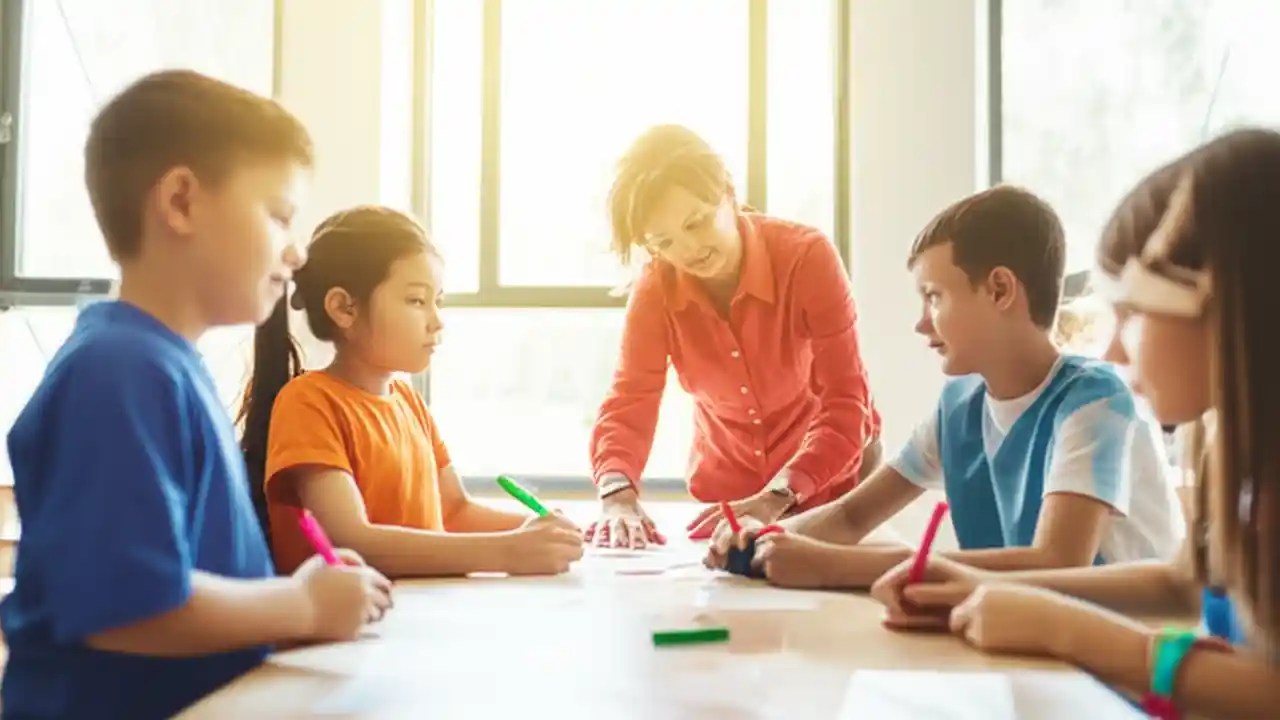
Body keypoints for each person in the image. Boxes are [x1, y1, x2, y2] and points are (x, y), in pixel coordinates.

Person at [0, 70, 392, 719]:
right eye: (279, 215)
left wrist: (292, 600)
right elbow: (129, 608)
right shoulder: (117, 372)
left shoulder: (163, 366)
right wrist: (302, 604)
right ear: (181, 201)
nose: (296, 253)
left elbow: (191, 596)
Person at [869, 128, 1280, 720]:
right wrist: (986, 587)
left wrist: (1068, 629)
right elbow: (1178, 584)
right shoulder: (1228, 457)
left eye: (1133, 313)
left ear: (1232, 305)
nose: (1113, 351)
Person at [710, 185, 1182, 587]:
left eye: (934, 297)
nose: (921, 324)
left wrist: (837, 566)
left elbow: (1056, 563)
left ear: (1000, 290)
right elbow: (852, 517)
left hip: (1127, 669)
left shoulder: (1096, 400)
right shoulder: (959, 406)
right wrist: (763, 538)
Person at [240, 206, 584, 577]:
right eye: (417, 301)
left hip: (417, 616)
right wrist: (506, 552)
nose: (437, 321)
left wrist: (541, 533)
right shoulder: (308, 402)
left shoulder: (408, 402)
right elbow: (350, 541)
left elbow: (454, 512)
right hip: (351, 630)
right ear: (343, 308)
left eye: (439, 301)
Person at [588, 124, 882, 548]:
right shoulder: (656, 288)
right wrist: (617, 495)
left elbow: (845, 402)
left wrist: (777, 497)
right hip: (726, 496)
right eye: (664, 241)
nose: (689, 250)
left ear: (728, 192)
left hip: (827, 486)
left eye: (697, 222)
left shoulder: (807, 258)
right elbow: (631, 399)